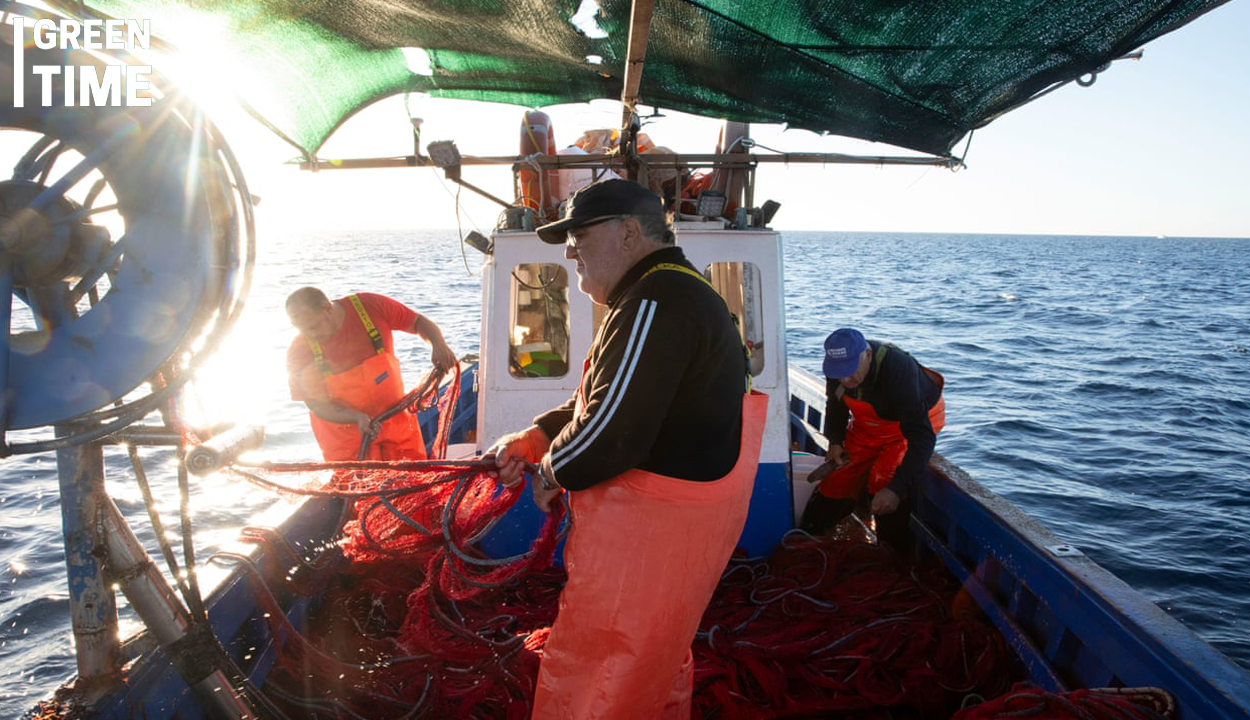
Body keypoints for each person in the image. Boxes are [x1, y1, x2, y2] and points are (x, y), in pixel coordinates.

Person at [486, 178, 766, 720]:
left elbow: (608, 437)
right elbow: (609, 398)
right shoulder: (671, 293)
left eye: (580, 236)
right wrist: (539, 435)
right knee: (650, 672)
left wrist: (549, 472)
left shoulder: (653, 302)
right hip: (669, 554)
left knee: (601, 680)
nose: (570, 252)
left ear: (630, 233)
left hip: (644, 557)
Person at [800, 328, 945, 549]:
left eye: (850, 370)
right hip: (869, 425)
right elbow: (836, 405)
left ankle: (889, 548)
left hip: (911, 425)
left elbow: (922, 437)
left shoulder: (898, 372)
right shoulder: (837, 370)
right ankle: (816, 533)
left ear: (867, 355)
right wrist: (836, 441)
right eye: (839, 373)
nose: (845, 379)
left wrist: (896, 489)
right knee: (839, 475)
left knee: (884, 477)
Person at [285, 287, 456, 461]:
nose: (310, 335)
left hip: (396, 425)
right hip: (345, 439)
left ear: (327, 308)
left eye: (313, 327)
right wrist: (356, 417)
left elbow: (417, 322)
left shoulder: (369, 306)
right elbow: (316, 405)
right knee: (355, 479)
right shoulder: (299, 350)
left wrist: (439, 345)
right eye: (302, 330)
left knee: (412, 473)